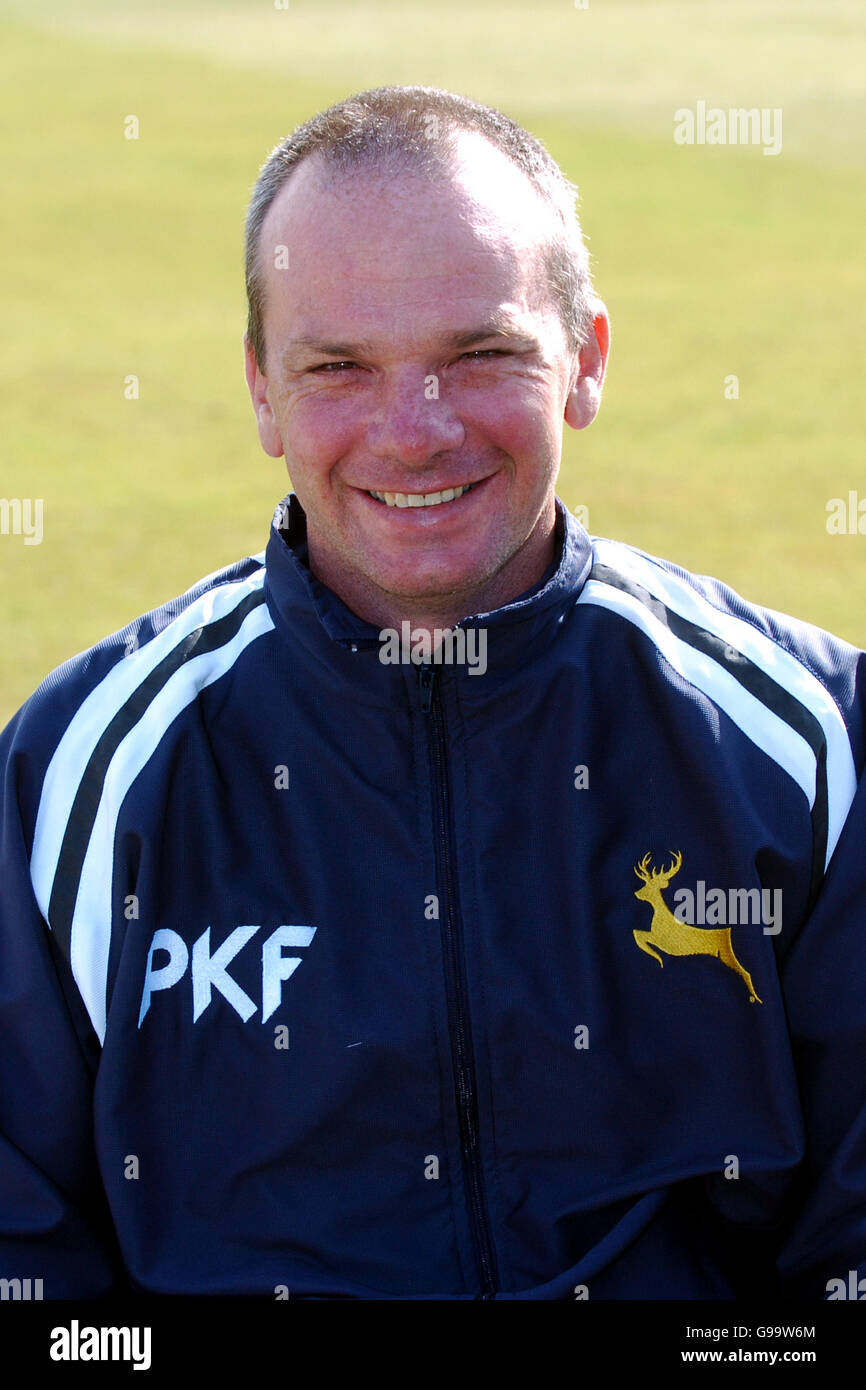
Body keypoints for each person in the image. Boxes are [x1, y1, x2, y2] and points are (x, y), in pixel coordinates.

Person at [1, 84, 864, 1302]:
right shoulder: (77, 774)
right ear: (260, 389)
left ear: (585, 361)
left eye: (480, 355)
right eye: (338, 368)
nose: (414, 433)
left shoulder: (812, 748)